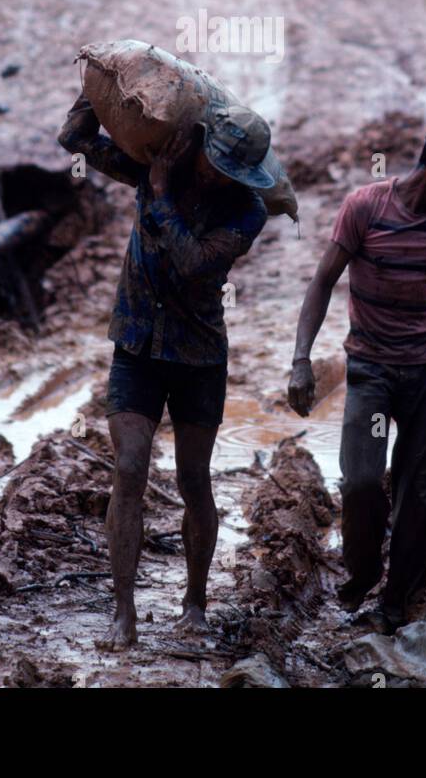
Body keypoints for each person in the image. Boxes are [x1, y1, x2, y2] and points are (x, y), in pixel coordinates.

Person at [58, 95, 272, 649]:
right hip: (136, 347)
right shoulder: (161, 164)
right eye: (211, 161)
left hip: (199, 357)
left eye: (227, 170)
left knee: (193, 479)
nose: (213, 175)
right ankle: (122, 610)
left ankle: (194, 604)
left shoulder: (247, 209)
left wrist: (160, 197)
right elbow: (76, 142)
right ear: (200, 146)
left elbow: (196, 261)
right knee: (129, 468)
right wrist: (95, 91)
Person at [287, 126, 426, 633]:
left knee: (419, 491)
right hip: (371, 371)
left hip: (425, 373)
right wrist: (300, 359)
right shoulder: (365, 207)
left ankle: (396, 601)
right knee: (360, 481)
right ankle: (363, 574)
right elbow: (322, 281)